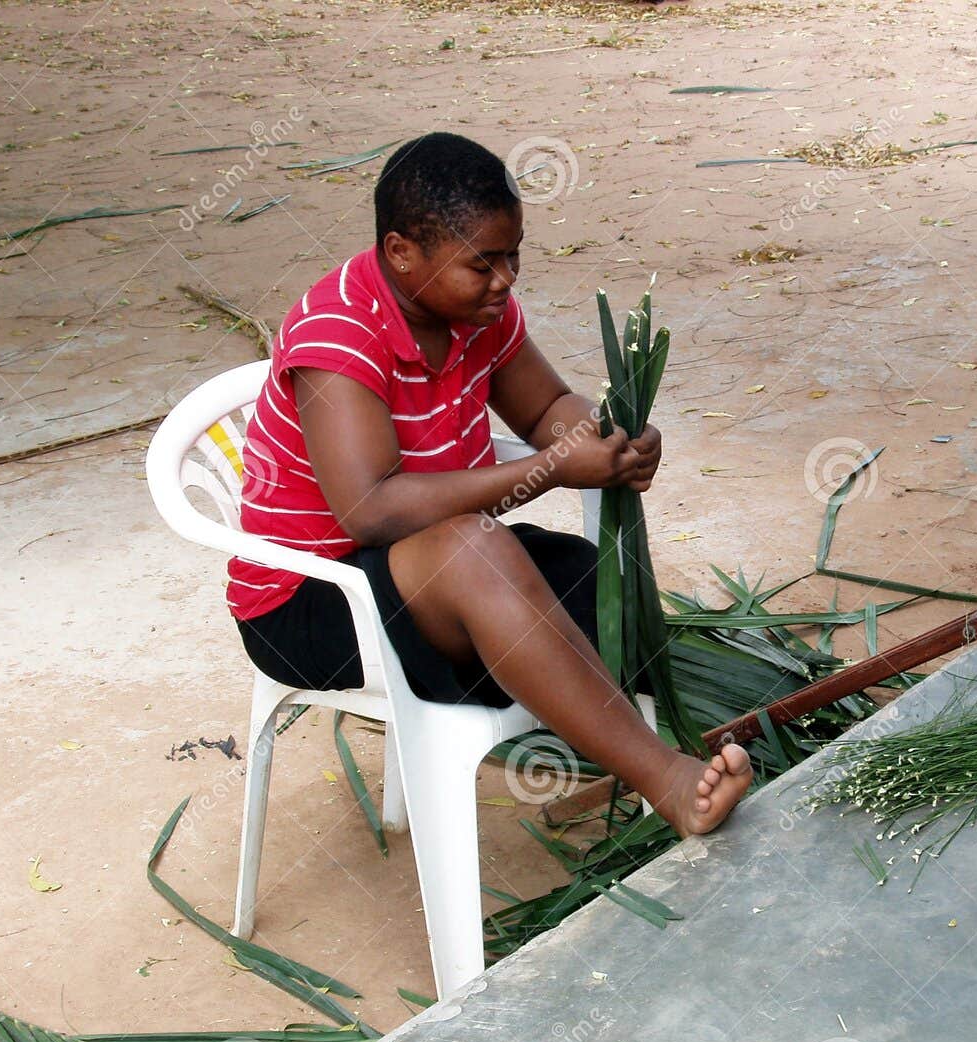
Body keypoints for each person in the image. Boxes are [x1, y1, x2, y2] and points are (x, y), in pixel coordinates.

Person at [227, 132, 751, 836]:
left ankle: (663, 744)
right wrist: (551, 469)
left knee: (590, 580)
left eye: (513, 256)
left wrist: (607, 436)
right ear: (400, 252)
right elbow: (371, 512)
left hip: (423, 568)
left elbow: (543, 409)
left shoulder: (477, 313)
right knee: (480, 553)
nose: (505, 280)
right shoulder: (340, 333)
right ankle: (666, 781)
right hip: (311, 603)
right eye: (481, 264)